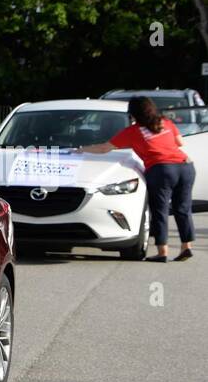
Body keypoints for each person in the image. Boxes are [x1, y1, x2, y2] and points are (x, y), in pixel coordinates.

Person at [80, 96, 195, 262]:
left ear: (133, 114)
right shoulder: (164, 122)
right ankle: (187, 247)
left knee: (160, 210)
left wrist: (82, 150)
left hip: (161, 169)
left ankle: (162, 252)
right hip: (185, 166)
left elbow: (104, 148)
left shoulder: (133, 131)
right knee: (183, 208)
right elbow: (180, 142)